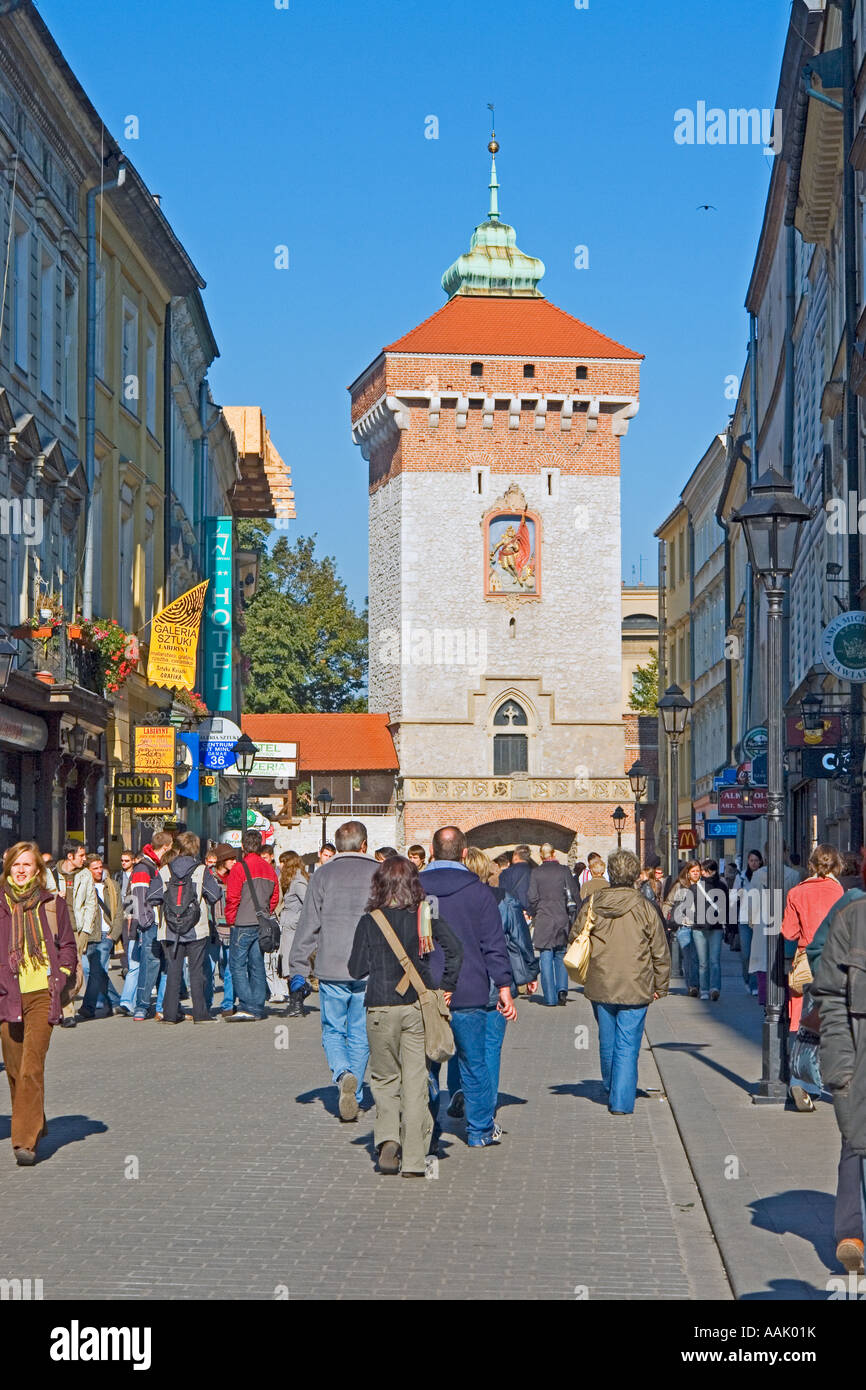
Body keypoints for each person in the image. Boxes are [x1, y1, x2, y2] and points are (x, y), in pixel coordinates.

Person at [348, 856, 463, 1175]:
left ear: (379, 885)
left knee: (385, 1079)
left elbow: (355, 968)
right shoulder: (424, 916)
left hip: (380, 1009)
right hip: (416, 1007)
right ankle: (414, 1159)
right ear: (414, 884)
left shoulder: (370, 920)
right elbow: (456, 949)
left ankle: (387, 1141)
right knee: (416, 1082)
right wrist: (446, 986)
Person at [421, 827, 515, 1148]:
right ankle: (479, 1131)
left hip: (426, 992)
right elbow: (494, 945)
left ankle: (428, 1134)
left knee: (427, 1066)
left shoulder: (416, 891)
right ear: (464, 854)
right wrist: (503, 986)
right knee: (474, 1063)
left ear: (431, 853)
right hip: (470, 989)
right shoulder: (479, 893)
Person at [288, 821, 378, 1119]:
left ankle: (342, 1075)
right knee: (360, 1032)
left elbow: (309, 924)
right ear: (364, 845)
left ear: (337, 847)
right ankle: (358, 1091)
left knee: (332, 1029)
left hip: (331, 966)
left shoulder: (322, 875)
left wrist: (298, 966)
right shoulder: (379, 873)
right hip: (369, 967)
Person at [569, 849, 670, 1115]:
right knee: (628, 1042)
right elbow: (659, 949)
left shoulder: (593, 902)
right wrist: (661, 984)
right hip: (636, 983)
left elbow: (575, 935)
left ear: (611, 873)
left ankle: (610, 1084)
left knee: (607, 1036)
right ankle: (621, 1100)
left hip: (600, 979)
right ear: (635, 875)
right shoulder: (644, 907)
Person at [0, 841, 77, 1164]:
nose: (20, 870)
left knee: (32, 1067)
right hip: (7, 994)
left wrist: (59, 973)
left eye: (27, 865)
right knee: (16, 1070)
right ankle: (35, 1119)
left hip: (42, 995)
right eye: (15, 865)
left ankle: (24, 1142)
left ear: (37, 870)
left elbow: (68, 946)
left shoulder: (51, 903)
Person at [813, 891, 866, 1276]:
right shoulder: (852, 916)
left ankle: (852, 1233)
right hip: (859, 1063)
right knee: (856, 1137)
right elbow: (830, 996)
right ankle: (852, 1234)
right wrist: (842, 1071)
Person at [780, 844, 843, 1106]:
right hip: (834, 962)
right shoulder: (839, 891)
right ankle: (819, 1080)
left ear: (812, 864)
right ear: (836, 865)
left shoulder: (797, 892)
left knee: (801, 1021)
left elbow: (788, 932)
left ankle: (800, 1082)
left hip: (806, 961)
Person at [146, 831, 222, 1024]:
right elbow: (214, 895)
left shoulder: (165, 870)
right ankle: (201, 1014)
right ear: (196, 849)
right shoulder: (201, 870)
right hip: (196, 928)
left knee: (173, 971)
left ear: (177, 848)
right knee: (196, 972)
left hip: (169, 929)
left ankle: (170, 1014)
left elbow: (152, 896)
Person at [224, 829, 279, 1021]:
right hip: (261, 922)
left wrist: (231, 919)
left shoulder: (240, 867)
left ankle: (247, 1004)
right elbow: (275, 898)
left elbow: (232, 897)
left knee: (237, 965)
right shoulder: (269, 869)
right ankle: (257, 1005)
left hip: (243, 922)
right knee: (257, 964)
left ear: (243, 846)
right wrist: (266, 912)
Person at [744, 846, 801, 1003]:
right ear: (785, 853)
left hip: (763, 924)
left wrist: (752, 922)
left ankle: (766, 1002)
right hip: (786, 924)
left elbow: (751, 902)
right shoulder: (793, 875)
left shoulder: (758, 875)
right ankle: (785, 1004)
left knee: (764, 964)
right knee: (785, 965)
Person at [131, 831, 174, 1021]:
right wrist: (147, 922)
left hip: (162, 923)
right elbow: (138, 897)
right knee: (149, 965)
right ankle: (141, 1005)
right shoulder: (144, 867)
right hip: (151, 924)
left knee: (162, 965)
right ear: (165, 848)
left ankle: (160, 1006)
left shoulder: (155, 865)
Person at [56, 840, 98, 1028]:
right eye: (81, 855)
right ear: (70, 856)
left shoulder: (85, 875)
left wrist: (85, 931)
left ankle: (63, 1006)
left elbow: (91, 903)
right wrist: (54, 894)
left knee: (76, 973)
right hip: (54, 930)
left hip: (75, 930)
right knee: (57, 972)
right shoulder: (51, 873)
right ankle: (66, 1012)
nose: (84, 859)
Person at [527, 843, 576, 1006]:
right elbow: (574, 894)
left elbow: (532, 897)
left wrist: (535, 911)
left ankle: (549, 997)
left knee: (546, 955)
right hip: (561, 916)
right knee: (561, 953)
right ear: (554, 853)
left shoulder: (536, 873)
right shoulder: (564, 871)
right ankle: (562, 989)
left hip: (544, 918)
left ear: (541, 856)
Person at [77, 853, 124, 1020]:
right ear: (87, 871)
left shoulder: (112, 885)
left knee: (97, 969)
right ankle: (116, 1002)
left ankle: (88, 1007)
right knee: (92, 970)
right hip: (88, 934)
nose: (99, 871)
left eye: (100, 867)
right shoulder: (81, 885)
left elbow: (119, 912)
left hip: (106, 934)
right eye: (94, 868)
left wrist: (113, 934)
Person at [691, 858, 728, 1001]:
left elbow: (726, 907)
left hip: (716, 927)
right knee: (703, 962)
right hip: (699, 928)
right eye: (703, 870)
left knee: (714, 960)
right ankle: (704, 989)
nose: (704, 873)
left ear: (713, 871)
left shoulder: (721, 886)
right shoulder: (695, 887)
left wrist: (728, 926)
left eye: (707, 871)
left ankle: (715, 988)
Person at [663, 861, 702, 993]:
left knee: (696, 957)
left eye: (698, 871)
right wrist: (665, 921)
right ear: (687, 872)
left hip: (699, 927)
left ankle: (696, 983)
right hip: (683, 926)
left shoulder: (703, 886)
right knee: (688, 956)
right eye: (693, 871)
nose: (696, 873)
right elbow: (668, 902)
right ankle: (692, 985)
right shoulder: (680, 886)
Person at [278, 851, 309, 1016]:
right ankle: (294, 1002)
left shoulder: (298, 881)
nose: (280, 865)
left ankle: (297, 1003)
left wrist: (295, 921)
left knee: (292, 966)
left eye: (282, 862)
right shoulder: (291, 880)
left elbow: (308, 905)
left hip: (293, 929)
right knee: (287, 966)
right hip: (288, 927)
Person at [209, 843, 237, 1014]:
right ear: (222, 860)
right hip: (212, 927)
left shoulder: (235, 875)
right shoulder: (209, 876)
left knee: (230, 967)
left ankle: (228, 1004)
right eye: (230, 859)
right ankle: (205, 1004)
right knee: (208, 968)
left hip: (231, 926)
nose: (234, 861)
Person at [731, 850, 763, 994]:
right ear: (748, 862)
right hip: (744, 919)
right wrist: (739, 893)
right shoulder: (741, 877)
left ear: (760, 861)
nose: (754, 863)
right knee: (746, 954)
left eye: (756, 860)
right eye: (751, 860)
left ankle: (755, 984)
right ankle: (746, 979)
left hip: (760, 919)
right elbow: (732, 898)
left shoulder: (764, 875)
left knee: (757, 953)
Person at [498, 845, 533, 910]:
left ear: (515, 856)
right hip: (529, 913)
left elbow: (502, 897)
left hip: (512, 912)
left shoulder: (505, 874)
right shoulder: (534, 873)